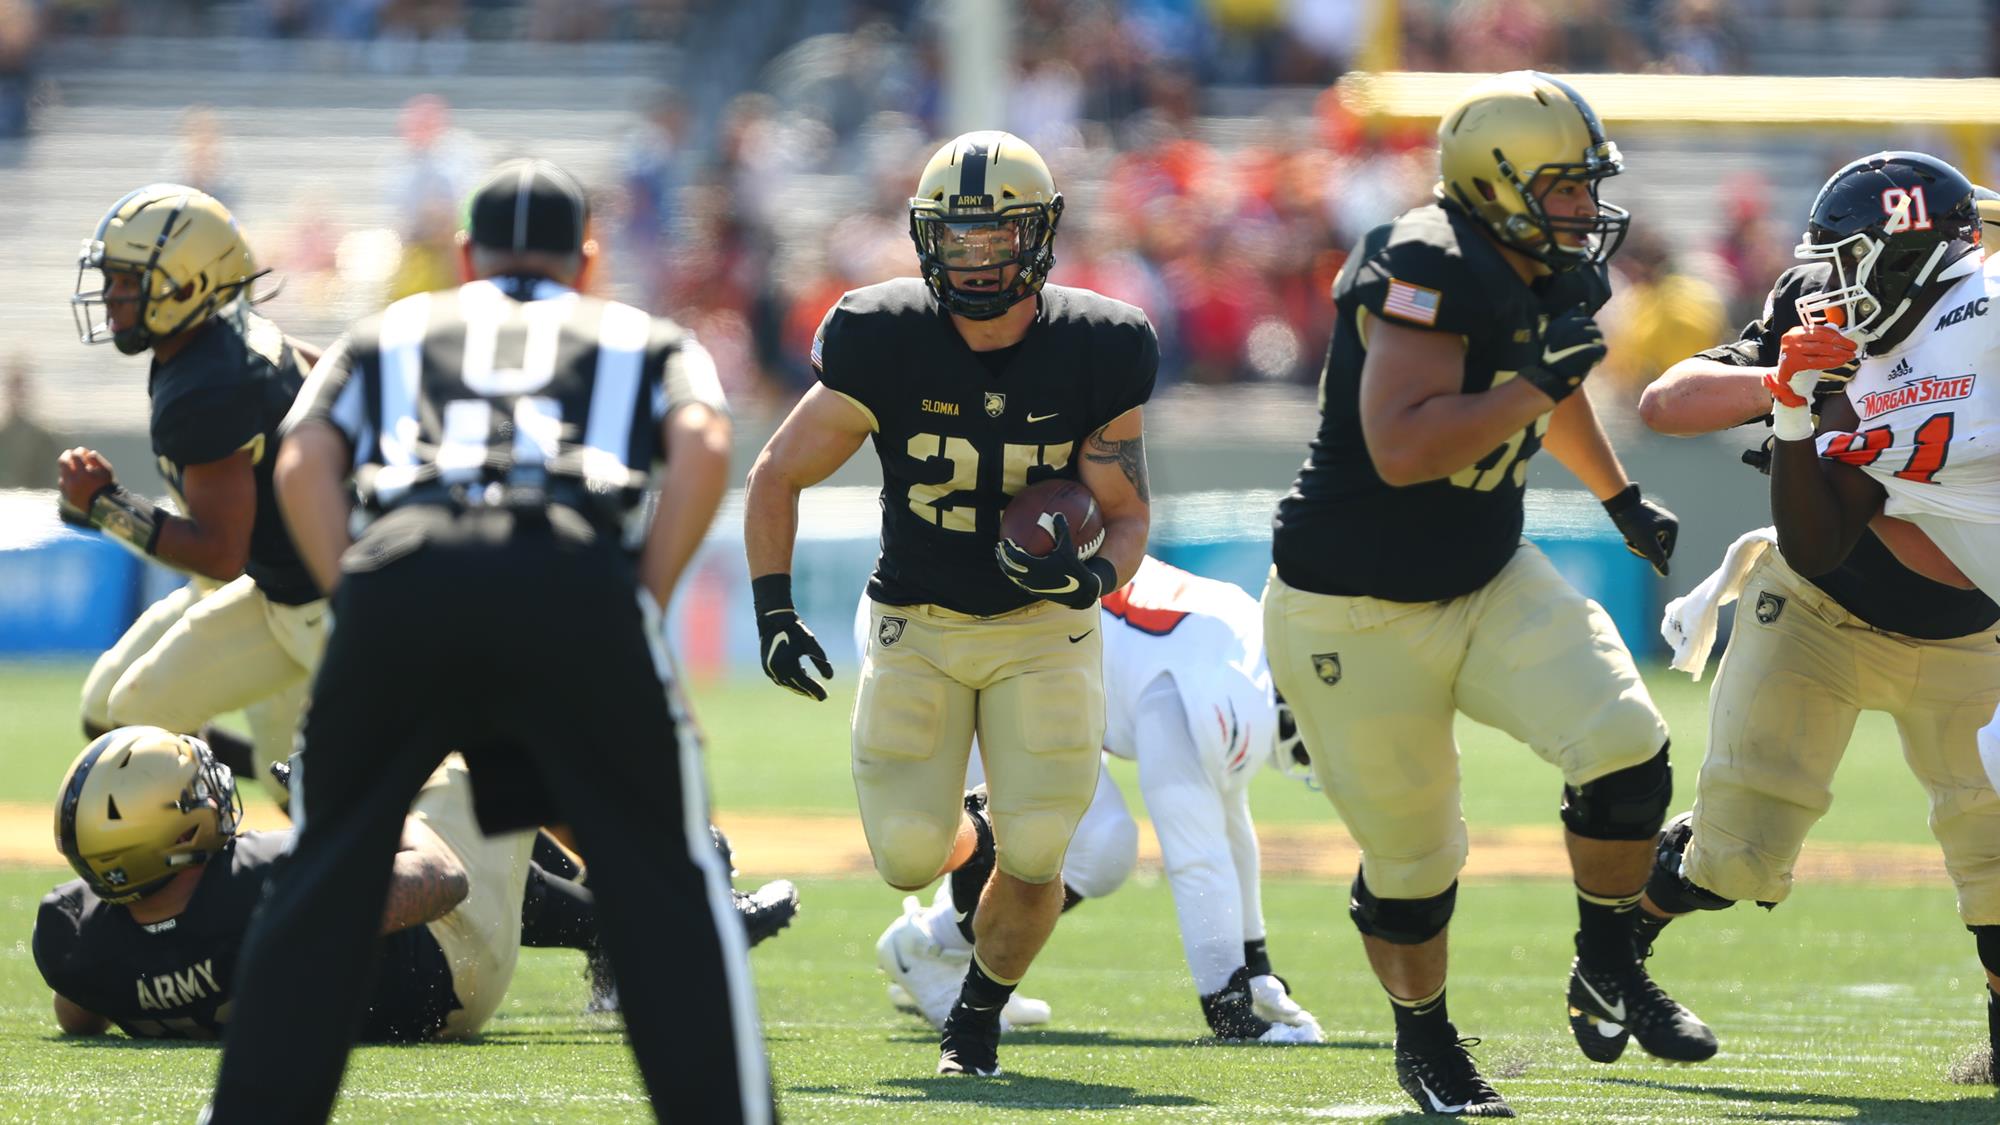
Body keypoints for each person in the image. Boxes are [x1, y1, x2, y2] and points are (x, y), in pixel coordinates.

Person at [203, 158, 768, 1124]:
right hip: (570, 571)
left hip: (403, 569)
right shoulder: (638, 334)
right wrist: (644, 593)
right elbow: (708, 445)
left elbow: (301, 456)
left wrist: (357, 594)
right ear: (586, 261)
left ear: (466, 256)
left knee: (324, 886)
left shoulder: (391, 330)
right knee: (666, 890)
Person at [1259, 71, 1703, 1116]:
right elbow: (1402, 445)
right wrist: (1535, 386)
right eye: (1561, 187)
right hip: (1350, 607)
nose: (1583, 210)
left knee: (1624, 745)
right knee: (1415, 863)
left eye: (1585, 186)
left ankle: (1607, 965)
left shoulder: (1550, 270)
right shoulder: (1422, 256)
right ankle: (1426, 1044)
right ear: (1491, 181)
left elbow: (1542, 394)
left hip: (1485, 571)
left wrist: (1618, 495)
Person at [744, 129, 1157, 1077]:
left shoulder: (1101, 346)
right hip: (917, 625)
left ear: (1040, 236)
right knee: (903, 855)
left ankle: (974, 1019)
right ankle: (971, 830)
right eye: (956, 236)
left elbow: (1129, 515)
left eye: (995, 236)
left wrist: (1089, 581)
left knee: (1046, 847)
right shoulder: (880, 335)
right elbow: (776, 475)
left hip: (1044, 631)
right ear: (926, 238)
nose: (974, 257)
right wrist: (774, 612)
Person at [1729, 151, 2000, 1080]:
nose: (1830, 289)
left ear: (1906, 257)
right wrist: (1794, 405)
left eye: (1850, 262)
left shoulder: (1988, 307)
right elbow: (1818, 539)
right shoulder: (1871, 362)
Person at [869, 555, 1325, 1044]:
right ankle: (930, 948)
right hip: (951, 646)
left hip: (994, 641)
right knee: (1091, 843)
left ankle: (947, 951)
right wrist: (1228, 1006)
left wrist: (1255, 967)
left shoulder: (1238, 638)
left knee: (1101, 843)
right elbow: (1196, 852)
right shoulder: (1228, 684)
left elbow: (1228, 823)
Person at [65, 183, 324, 806]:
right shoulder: (225, 338)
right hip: (277, 594)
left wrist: (105, 505)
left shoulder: (206, 385)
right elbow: (316, 365)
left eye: (127, 281)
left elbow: (220, 552)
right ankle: (211, 868)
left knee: (344, 798)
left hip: (327, 611)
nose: (110, 297)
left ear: (185, 285)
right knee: (126, 718)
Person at [36, 727, 535, 1042]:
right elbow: (442, 878)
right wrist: (350, 798)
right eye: (196, 793)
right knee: (488, 740)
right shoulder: (261, 882)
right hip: (450, 969)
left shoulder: (77, 944)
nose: (211, 793)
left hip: (391, 983)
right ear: (181, 833)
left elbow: (79, 1009)